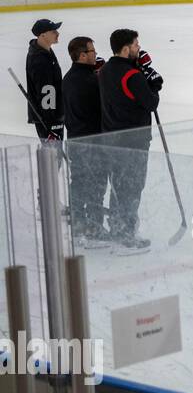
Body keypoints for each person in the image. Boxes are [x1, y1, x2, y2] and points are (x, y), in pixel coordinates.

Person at [98, 29, 163, 252]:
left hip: (111, 136)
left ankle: (117, 227)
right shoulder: (132, 76)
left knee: (118, 185)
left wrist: (139, 69)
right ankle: (126, 233)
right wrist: (152, 82)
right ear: (126, 49)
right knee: (132, 187)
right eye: (136, 44)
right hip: (133, 140)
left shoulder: (106, 69)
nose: (139, 48)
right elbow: (151, 102)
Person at [62, 36, 111, 247]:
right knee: (96, 186)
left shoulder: (69, 77)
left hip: (74, 139)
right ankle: (94, 229)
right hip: (91, 142)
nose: (95, 54)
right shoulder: (90, 82)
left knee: (79, 183)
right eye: (92, 51)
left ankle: (79, 224)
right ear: (82, 55)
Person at [25, 18, 63, 142]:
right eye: (53, 31)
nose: (57, 34)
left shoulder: (45, 50)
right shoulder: (40, 60)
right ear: (42, 35)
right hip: (48, 118)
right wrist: (51, 126)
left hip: (52, 115)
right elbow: (46, 93)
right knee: (51, 157)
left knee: (53, 157)